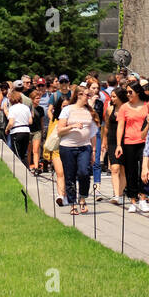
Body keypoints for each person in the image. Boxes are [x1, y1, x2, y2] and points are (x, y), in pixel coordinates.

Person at [57, 84, 96, 214]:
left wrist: (94, 150)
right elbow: (60, 130)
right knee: (70, 175)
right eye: (87, 95)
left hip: (85, 146)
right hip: (68, 147)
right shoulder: (68, 109)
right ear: (79, 95)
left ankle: (83, 198)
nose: (89, 97)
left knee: (84, 172)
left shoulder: (89, 111)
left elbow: (93, 132)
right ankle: (72, 203)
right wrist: (72, 126)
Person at [116, 81, 149, 213]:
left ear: (137, 92)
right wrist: (119, 145)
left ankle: (143, 198)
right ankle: (132, 200)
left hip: (144, 142)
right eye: (127, 92)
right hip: (129, 142)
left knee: (144, 171)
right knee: (131, 172)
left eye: (130, 92)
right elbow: (120, 126)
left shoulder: (146, 105)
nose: (128, 94)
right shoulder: (124, 107)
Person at [103, 86, 128, 204]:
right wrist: (104, 140)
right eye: (111, 96)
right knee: (114, 167)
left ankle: (121, 193)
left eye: (114, 97)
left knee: (123, 168)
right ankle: (116, 194)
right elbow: (107, 126)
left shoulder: (128, 109)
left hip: (126, 140)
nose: (111, 99)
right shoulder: (110, 109)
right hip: (112, 140)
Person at [5, 87, 33, 162]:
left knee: (16, 153)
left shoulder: (12, 108)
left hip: (16, 132)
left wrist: (7, 129)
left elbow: (11, 122)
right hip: (26, 131)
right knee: (23, 154)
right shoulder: (26, 107)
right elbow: (30, 121)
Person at [28, 88, 47, 173]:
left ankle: (36, 167)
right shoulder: (28, 108)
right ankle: (28, 166)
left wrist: (42, 130)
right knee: (29, 150)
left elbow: (42, 121)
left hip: (37, 131)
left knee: (36, 150)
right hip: (28, 131)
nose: (39, 100)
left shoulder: (41, 109)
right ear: (32, 99)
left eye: (39, 98)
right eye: (37, 98)